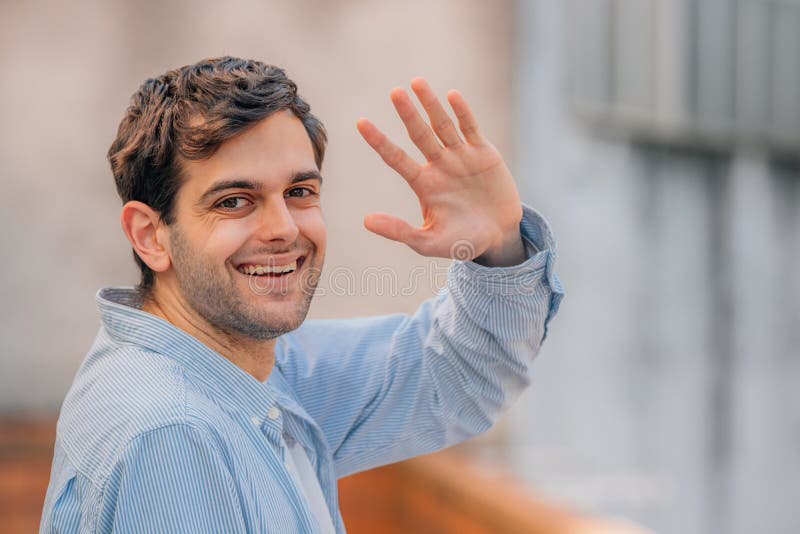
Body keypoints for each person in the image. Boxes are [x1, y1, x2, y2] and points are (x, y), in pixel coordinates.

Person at [40, 56, 563, 533]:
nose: (283, 229)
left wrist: (496, 244)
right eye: (235, 201)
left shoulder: (256, 366)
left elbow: (459, 374)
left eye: (298, 193)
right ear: (150, 235)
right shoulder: (173, 434)